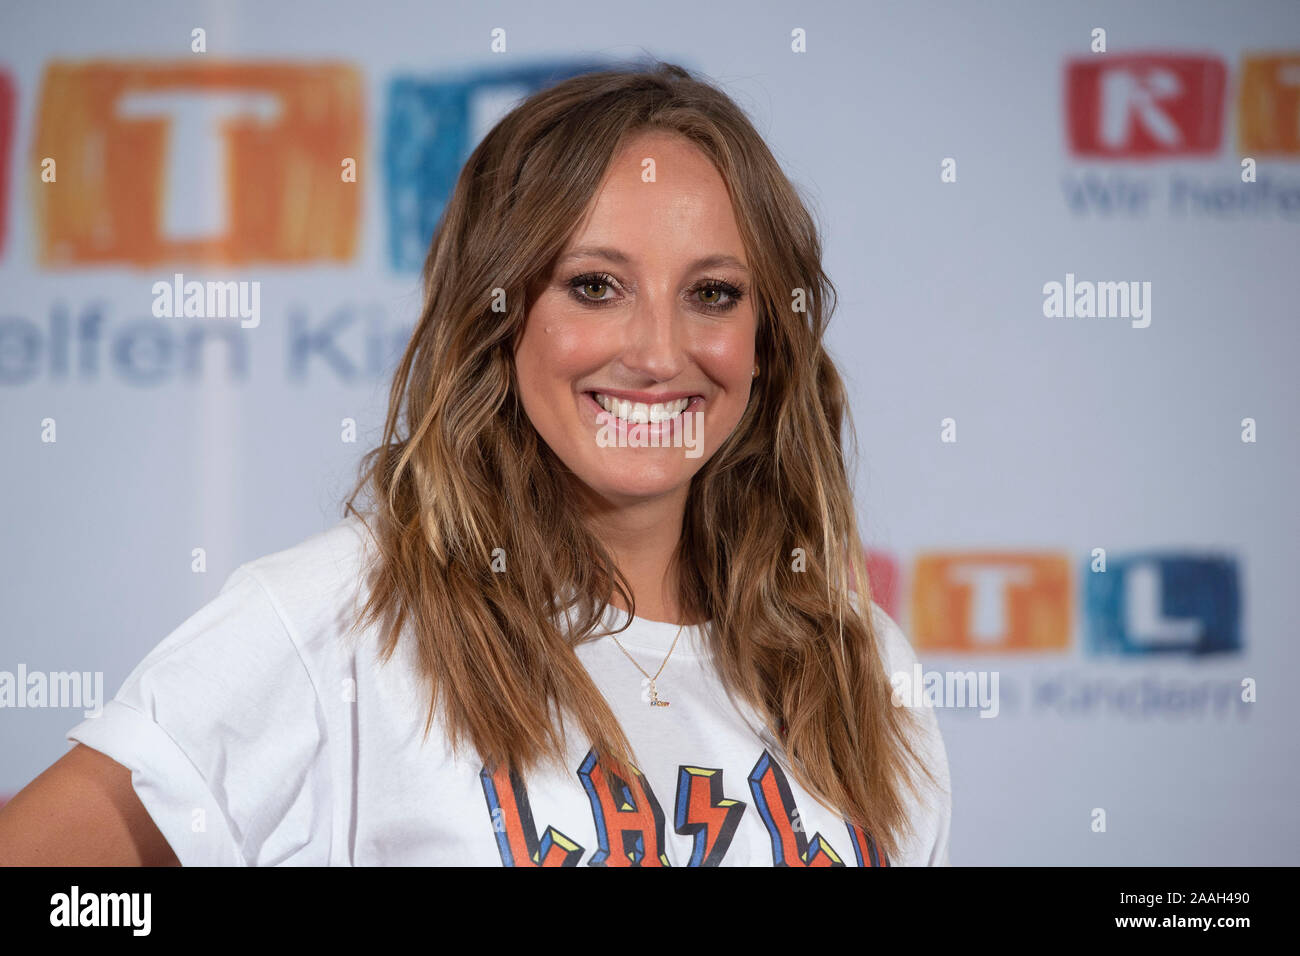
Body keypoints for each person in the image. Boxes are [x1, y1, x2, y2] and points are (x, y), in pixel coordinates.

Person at [0, 62, 951, 867]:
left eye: (712, 292)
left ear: (766, 337)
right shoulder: (343, 620)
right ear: (499, 314)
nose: (660, 352)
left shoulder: (861, 664)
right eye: (594, 286)